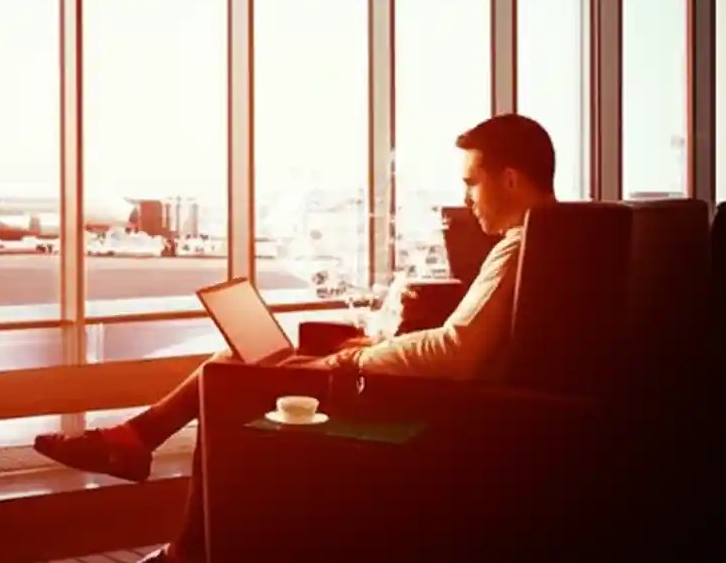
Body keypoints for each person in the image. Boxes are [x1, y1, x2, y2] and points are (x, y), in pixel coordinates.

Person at [33, 114, 559, 562]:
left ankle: (168, 516)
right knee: (244, 357)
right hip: (456, 404)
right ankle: (140, 451)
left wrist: (349, 365)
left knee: (225, 377)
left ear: (509, 180)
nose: (466, 199)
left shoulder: (518, 250)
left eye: (472, 182)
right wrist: (364, 350)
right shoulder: (552, 241)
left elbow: (456, 352)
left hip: (438, 413)